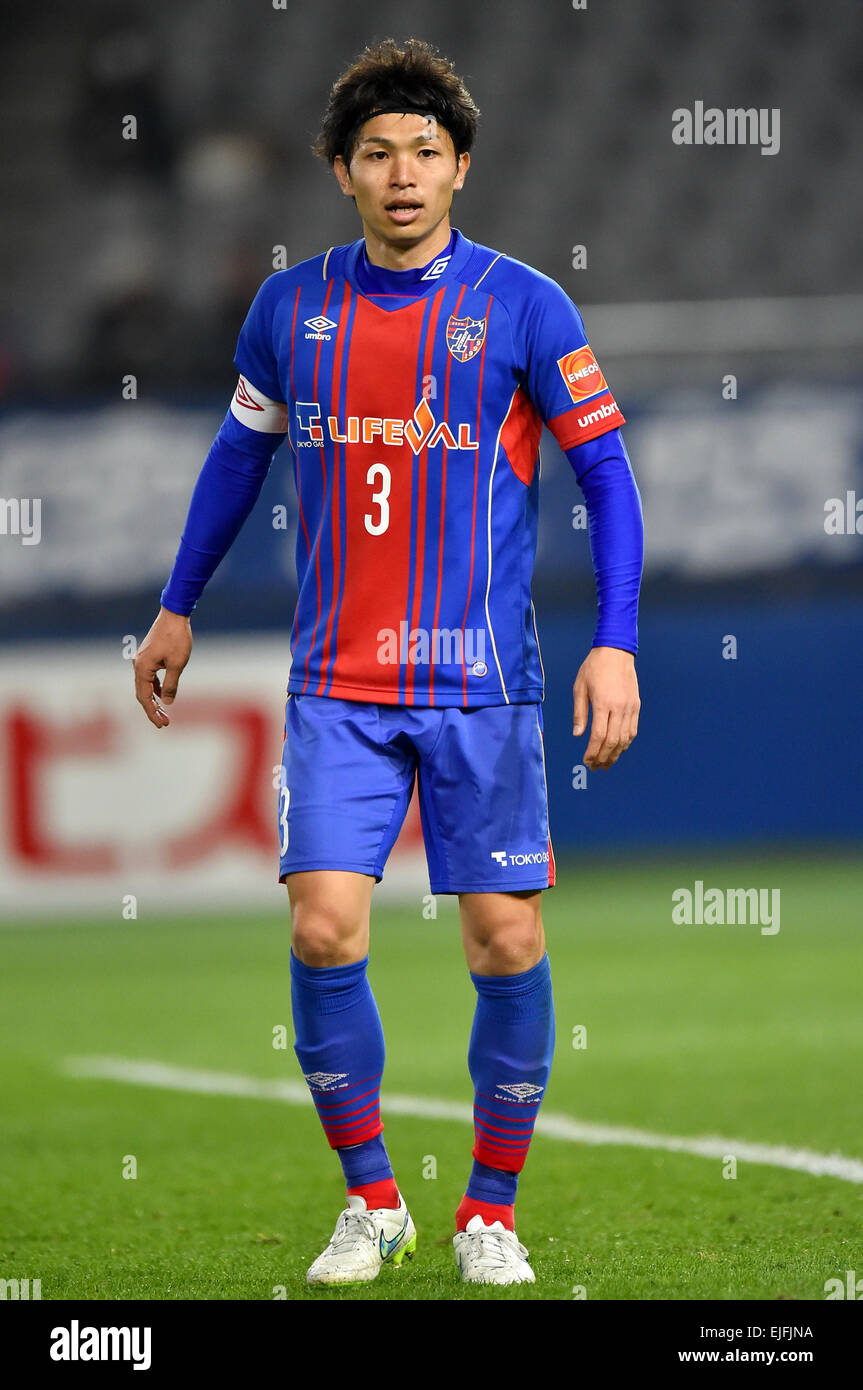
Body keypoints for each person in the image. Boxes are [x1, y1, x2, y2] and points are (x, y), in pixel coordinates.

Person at [133, 37, 643, 1289]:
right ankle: (374, 1203)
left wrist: (615, 642)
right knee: (321, 932)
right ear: (342, 174)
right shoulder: (289, 310)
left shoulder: (525, 305)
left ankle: (488, 1213)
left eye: (424, 151)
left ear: (459, 167)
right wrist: (175, 605)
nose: (402, 173)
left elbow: (605, 475)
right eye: (377, 154)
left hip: (482, 684)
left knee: (504, 948)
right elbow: (237, 459)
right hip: (338, 691)